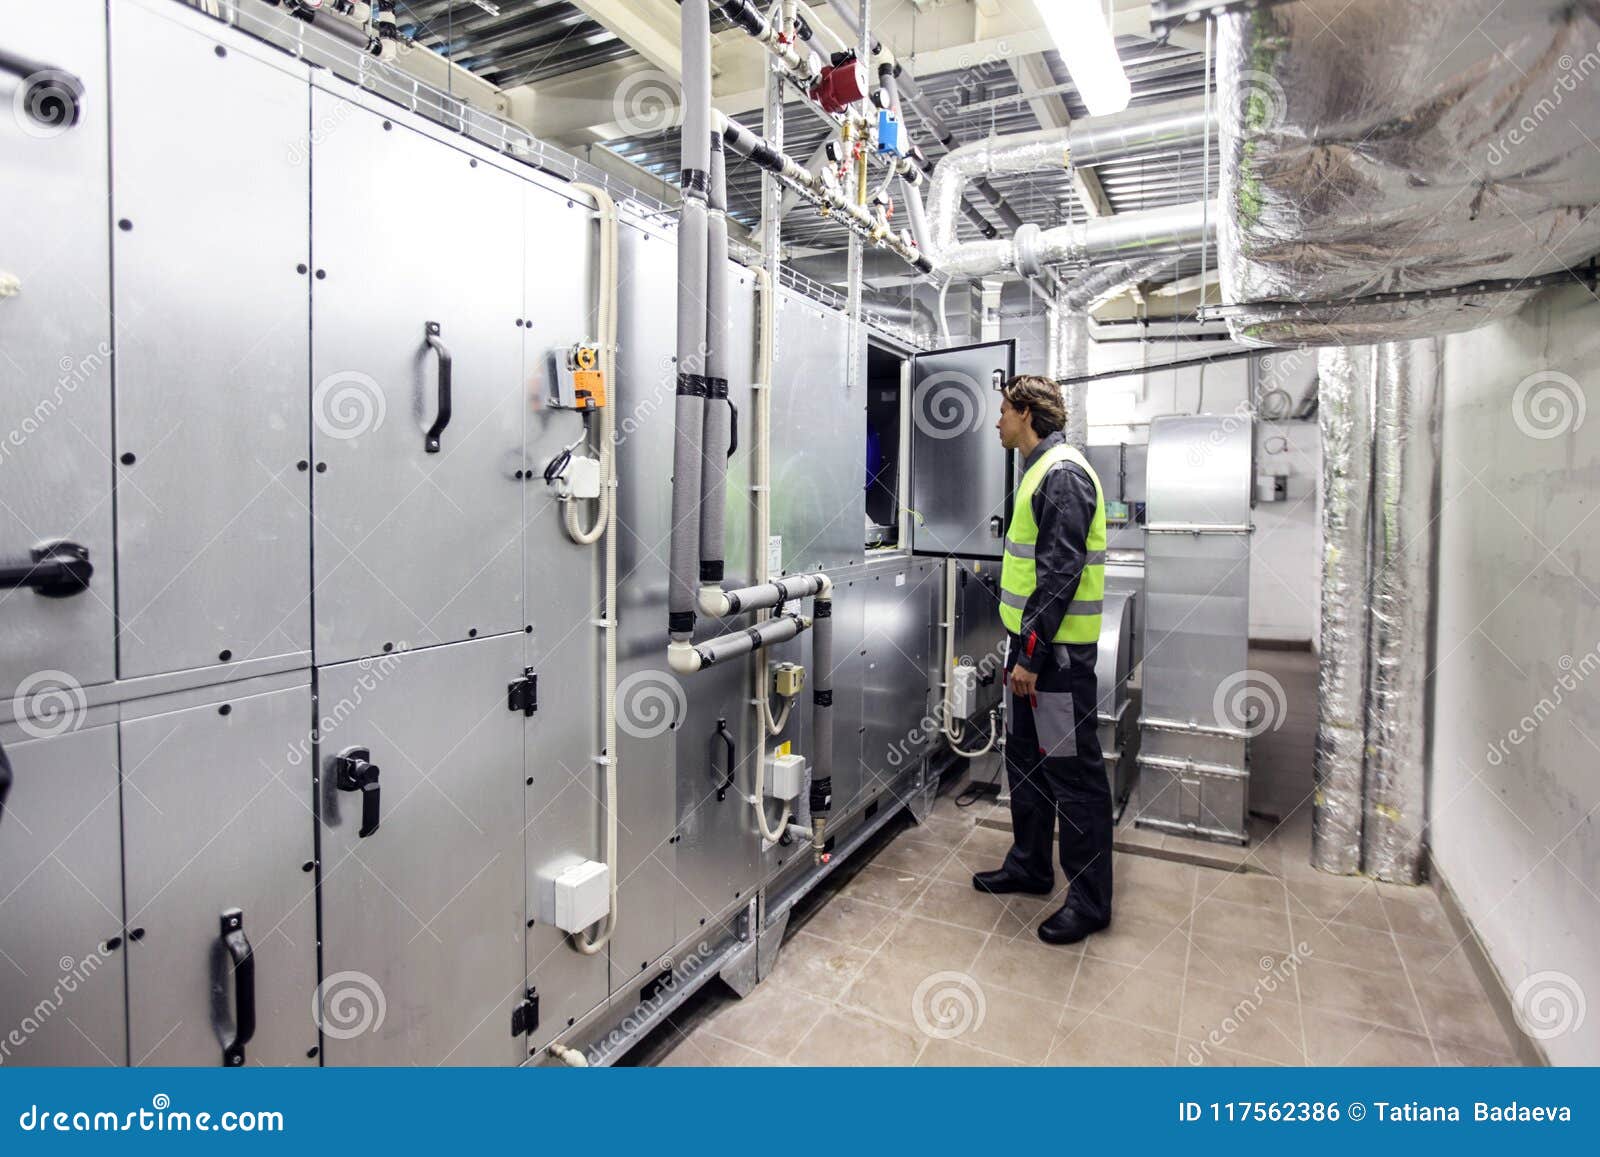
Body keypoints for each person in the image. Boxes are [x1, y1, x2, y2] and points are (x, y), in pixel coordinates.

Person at [972, 374, 1112, 945]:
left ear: (1027, 413)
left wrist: (1030, 655)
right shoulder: (1038, 469)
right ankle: (1031, 865)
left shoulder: (1063, 475)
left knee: (1072, 776)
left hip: (1055, 658)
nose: (998, 420)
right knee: (1026, 762)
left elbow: (1058, 575)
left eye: (1004, 409)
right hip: (1030, 649)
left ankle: (1089, 902)